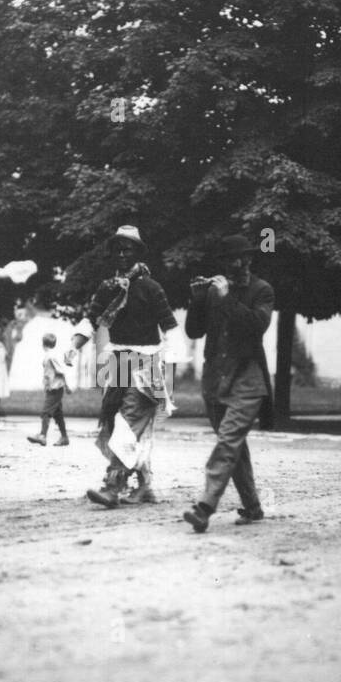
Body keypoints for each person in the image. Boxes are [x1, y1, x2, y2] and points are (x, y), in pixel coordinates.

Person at [77, 225, 178, 507]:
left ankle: (113, 485)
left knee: (129, 421)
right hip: (119, 362)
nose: (122, 254)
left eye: (128, 249)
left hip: (147, 365)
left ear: (137, 253)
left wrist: (167, 370)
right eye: (117, 249)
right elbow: (91, 319)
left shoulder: (151, 288)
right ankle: (145, 485)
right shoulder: (108, 288)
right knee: (118, 421)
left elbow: (170, 328)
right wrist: (71, 349)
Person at [181, 234, 275, 533]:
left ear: (249, 259)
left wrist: (226, 299)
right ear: (222, 263)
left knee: (227, 442)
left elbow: (255, 327)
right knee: (234, 446)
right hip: (216, 379)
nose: (237, 264)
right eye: (230, 260)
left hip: (249, 379)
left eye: (242, 258)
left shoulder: (262, 290)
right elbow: (194, 332)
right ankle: (253, 507)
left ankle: (205, 506)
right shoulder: (213, 291)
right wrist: (197, 301)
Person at [27, 332, 70, 446]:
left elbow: (61, 371)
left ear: (43, 344)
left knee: (46, 412)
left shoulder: (51, 357)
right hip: (53, 388)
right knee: (58, 413)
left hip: (55, 389)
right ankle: (64, 437)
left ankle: (42, 435)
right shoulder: (51, 355)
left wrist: (66, 386)